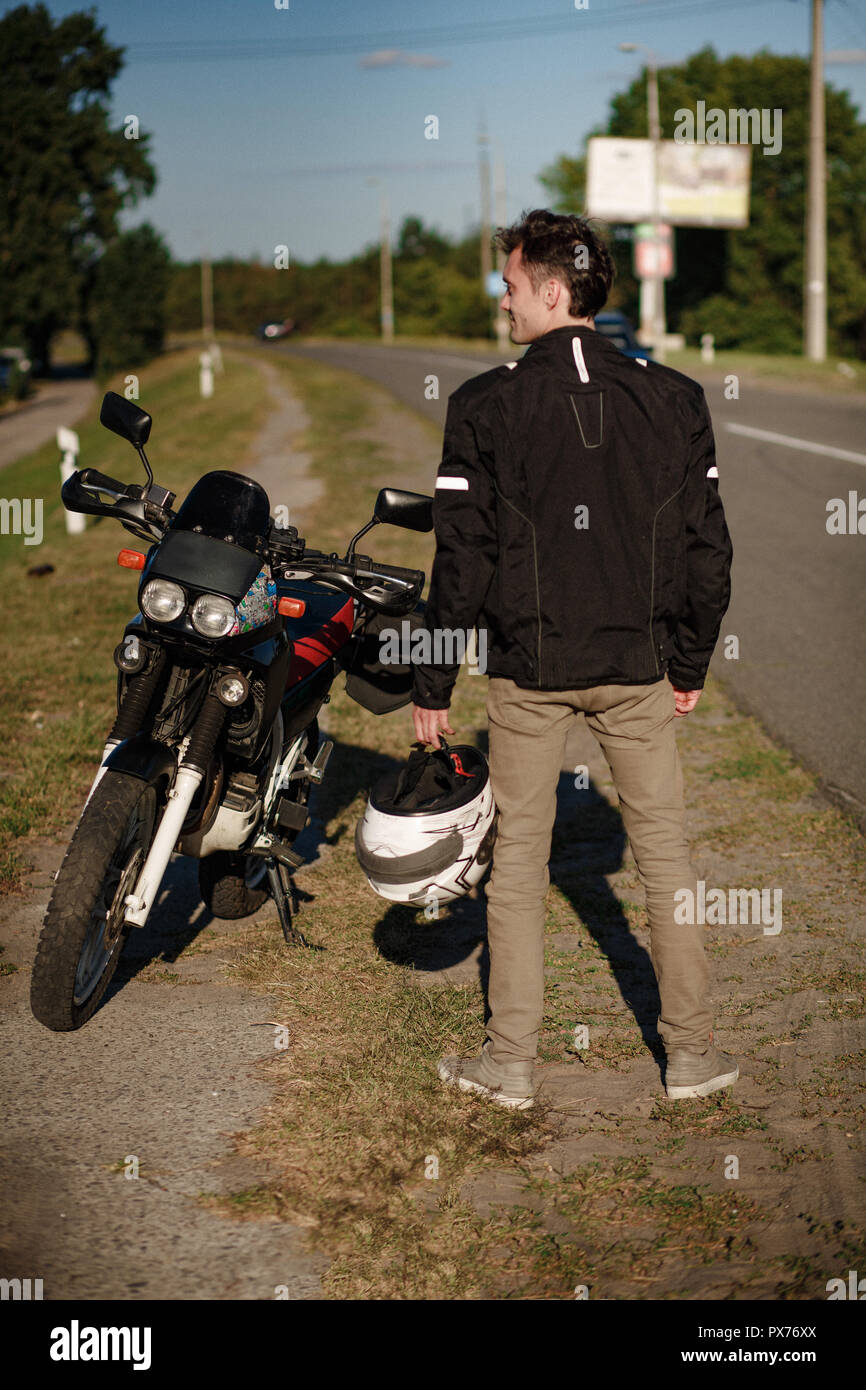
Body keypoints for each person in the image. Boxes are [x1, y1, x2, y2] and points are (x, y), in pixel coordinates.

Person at [410, 208, 735, 1110]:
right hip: (639, 671)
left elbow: (462, 557)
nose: (501, 300)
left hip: (529, 676)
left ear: (552, 291)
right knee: (664, 859)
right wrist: (689, 661)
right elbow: (710, 549)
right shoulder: (676, 398)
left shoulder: (485, 402)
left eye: (509, 284)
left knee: (517, 864)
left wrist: (433, 680)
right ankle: (695, 1058)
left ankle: (509, 1065)